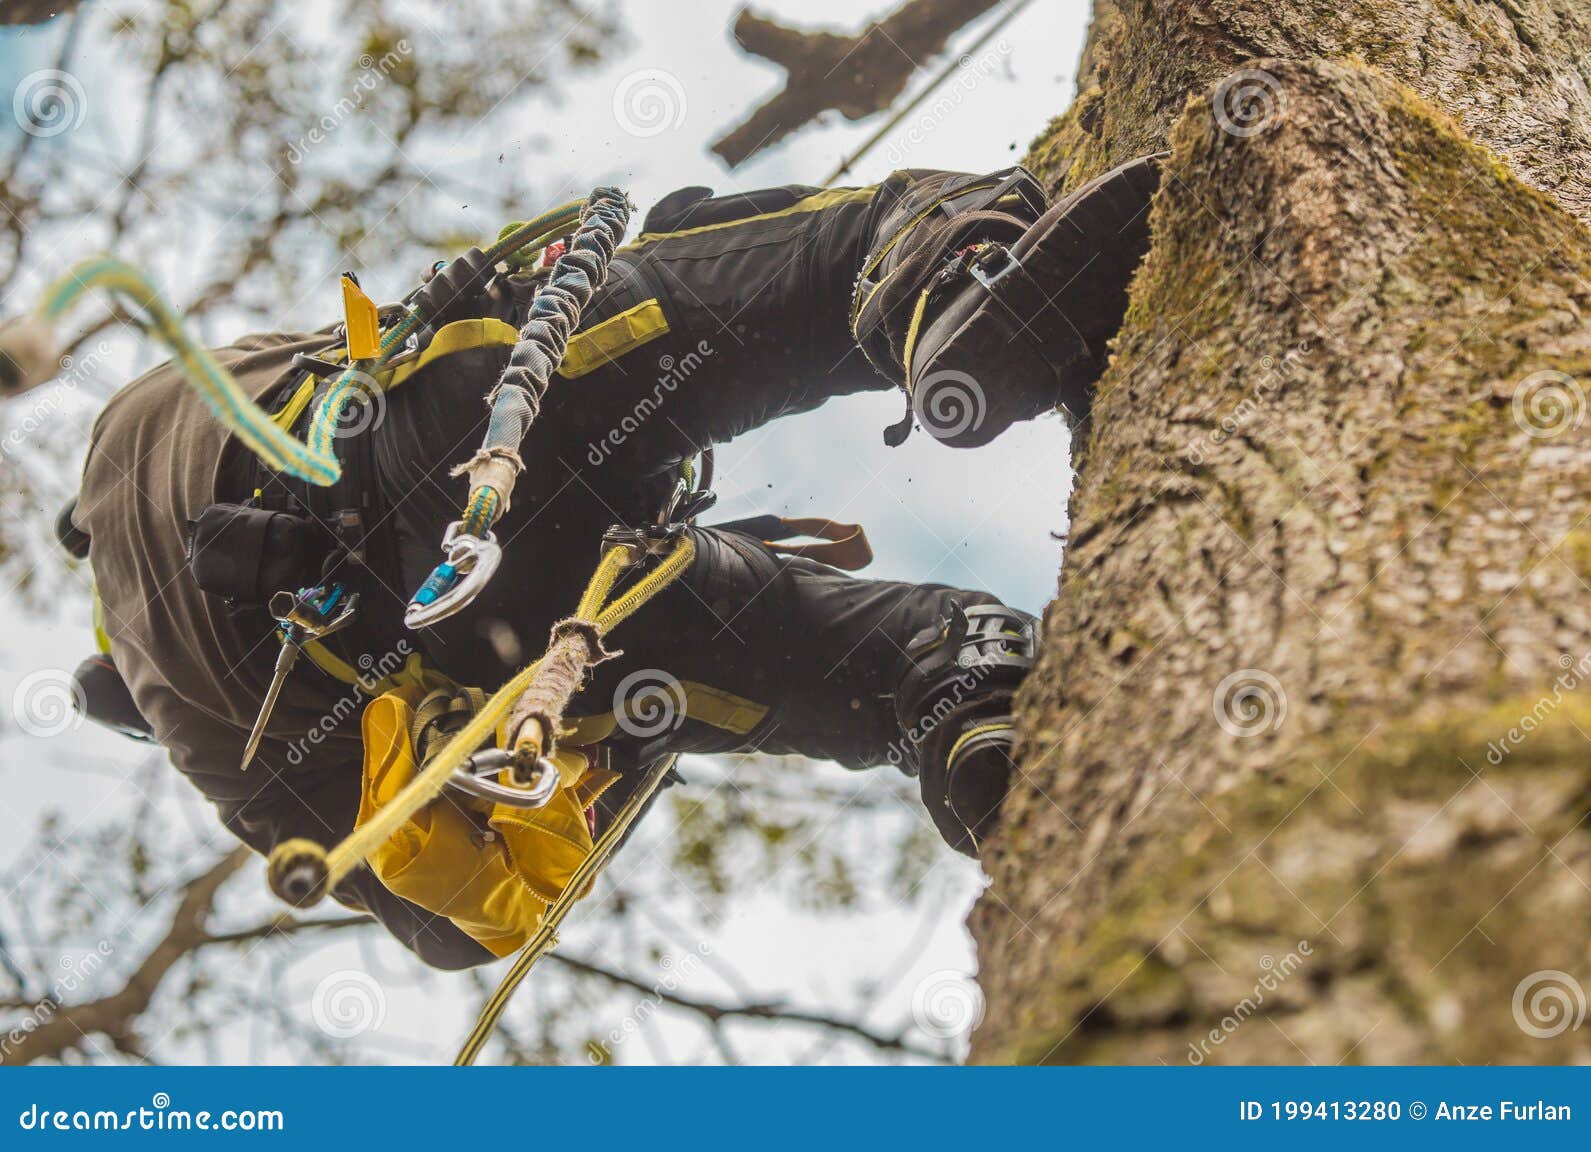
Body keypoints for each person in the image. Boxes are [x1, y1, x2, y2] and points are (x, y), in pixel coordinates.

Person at [67, 155, 1163, 968]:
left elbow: (449, 930)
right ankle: (946, 280)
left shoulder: (214, 747)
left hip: (516, 642)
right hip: (462, 429)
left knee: (844, 659)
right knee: (816, 265)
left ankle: (966, 708)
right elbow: (384, 339)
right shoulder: (133, 425)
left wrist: (603, 765)